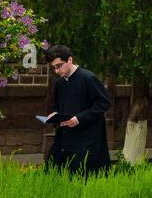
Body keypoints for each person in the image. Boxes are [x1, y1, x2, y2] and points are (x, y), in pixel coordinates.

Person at [43, 44, 112, 175]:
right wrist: (55, 116)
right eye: (53, 68)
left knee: (83, 176)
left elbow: (104, 103)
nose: (57, 71)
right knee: (52, 171)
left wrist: (78, 119)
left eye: (59, 66)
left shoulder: (88, 78)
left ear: (70, 60)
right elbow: (58, 106)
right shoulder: (60, 84)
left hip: (87, 139)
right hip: (65, 139)